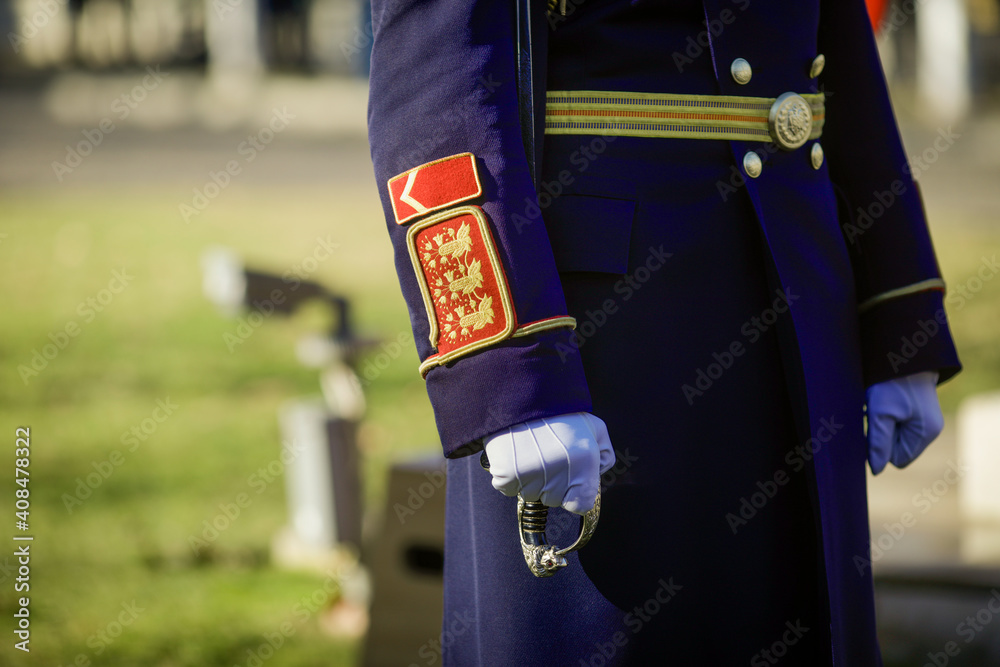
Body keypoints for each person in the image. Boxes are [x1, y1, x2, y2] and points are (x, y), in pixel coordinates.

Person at [367, 0, 961, 664]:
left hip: (803, 297)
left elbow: (834, 45)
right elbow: (438, 91)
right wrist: (511, 366)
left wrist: (897, 308)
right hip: (602, 330)